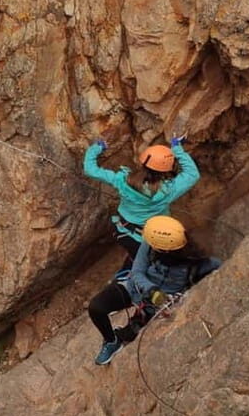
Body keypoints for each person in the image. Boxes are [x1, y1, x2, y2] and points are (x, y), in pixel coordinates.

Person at [88, 215, 221, 365]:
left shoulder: (195, 262)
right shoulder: (150, 245)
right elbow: (137, 271)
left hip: (160, 304)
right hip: (136, 288)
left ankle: (129, 329)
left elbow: (217, 265)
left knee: (132, 332)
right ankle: (112, 341)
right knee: (96, 307)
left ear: (164, 249)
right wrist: (151, 290)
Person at [84, 136, 200, 264]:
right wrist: (177, 148)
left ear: (142, 162)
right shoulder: (168, 191)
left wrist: (97, 148)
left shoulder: (122, 180)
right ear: (167, 169)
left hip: (124, 233)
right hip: (155, 238)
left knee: (139, 261)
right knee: (159, 262)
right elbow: (192, 174)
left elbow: (90, 170)